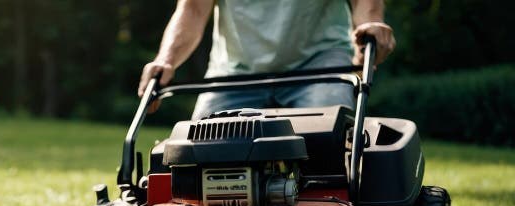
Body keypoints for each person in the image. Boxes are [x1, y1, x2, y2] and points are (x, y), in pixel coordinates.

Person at [137, 0, 396, 119]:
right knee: (200, 150)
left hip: (320, 65)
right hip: (236, 72)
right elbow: (192, 11)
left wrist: (370, 25)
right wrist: (166, 60)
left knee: (330, 135)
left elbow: (367, 3)